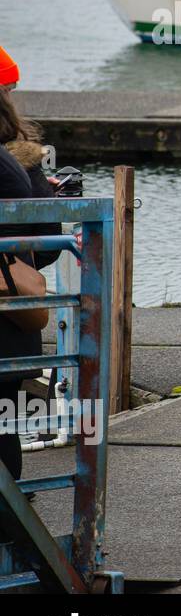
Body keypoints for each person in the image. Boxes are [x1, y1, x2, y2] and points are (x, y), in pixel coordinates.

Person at [0, 86, 59, 486]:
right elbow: (48, 239)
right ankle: (14, 522)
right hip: (15, 314)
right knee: (4, 425)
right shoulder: (20, 162)